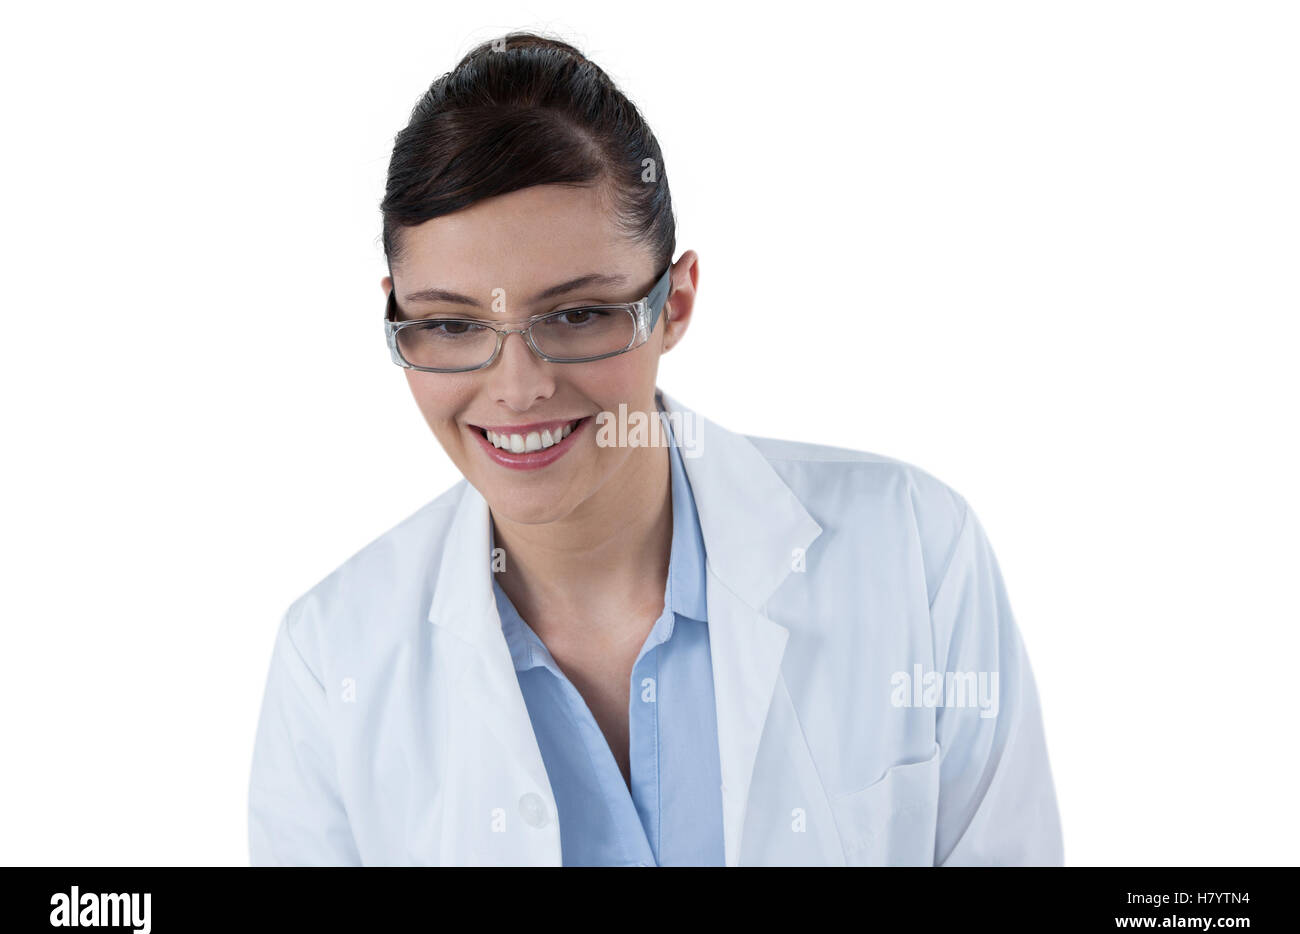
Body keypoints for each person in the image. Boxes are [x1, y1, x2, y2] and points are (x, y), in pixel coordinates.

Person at [247, 32, 1064, 866]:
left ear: (674, 303)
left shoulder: (916, 553)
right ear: (395, 316)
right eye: (454, 325)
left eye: (575, 315)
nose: (517, 387)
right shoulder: (330, 665)